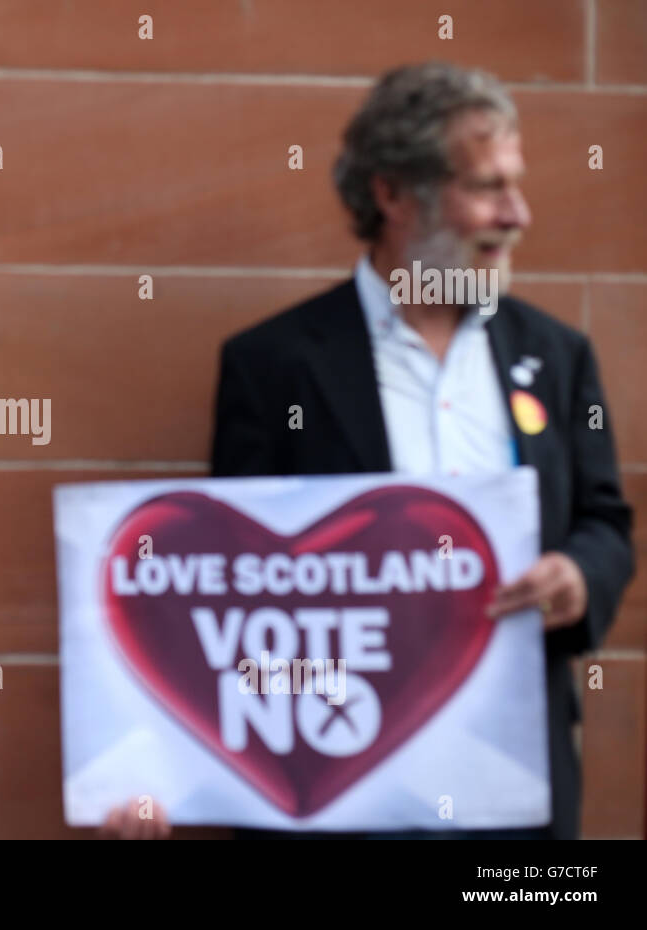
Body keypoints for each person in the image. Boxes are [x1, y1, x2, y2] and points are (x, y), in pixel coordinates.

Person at [205, 62, 633, 841]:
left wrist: (578, 576)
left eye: (517, 184)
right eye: (487, 187)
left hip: (511, 795)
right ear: (392, 194)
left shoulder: (558, 355)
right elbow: (228, 589)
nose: (519, 214)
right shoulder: (275, 365)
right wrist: (169, 767)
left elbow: (606, 521)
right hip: (337, 790)